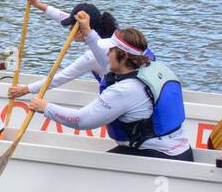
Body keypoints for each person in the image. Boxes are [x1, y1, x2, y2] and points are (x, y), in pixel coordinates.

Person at [19, 23, 193, 162]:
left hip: (160, 158)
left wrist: (46, 108)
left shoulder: (125, 90)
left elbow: (82, 120)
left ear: (124, 57)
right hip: (181, 151)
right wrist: (88, 31)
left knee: (86, 170)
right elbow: (104, 58)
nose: (107, 54)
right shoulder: (151, 67)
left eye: (111, 50)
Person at [7, 0, 131, 98]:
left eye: (72, 26)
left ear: (83, 29)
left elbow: (62, 77)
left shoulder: (93, 56)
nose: (69, 29)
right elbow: (62, 17)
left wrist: (26, 89)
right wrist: (37, 4)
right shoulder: (106, 34)